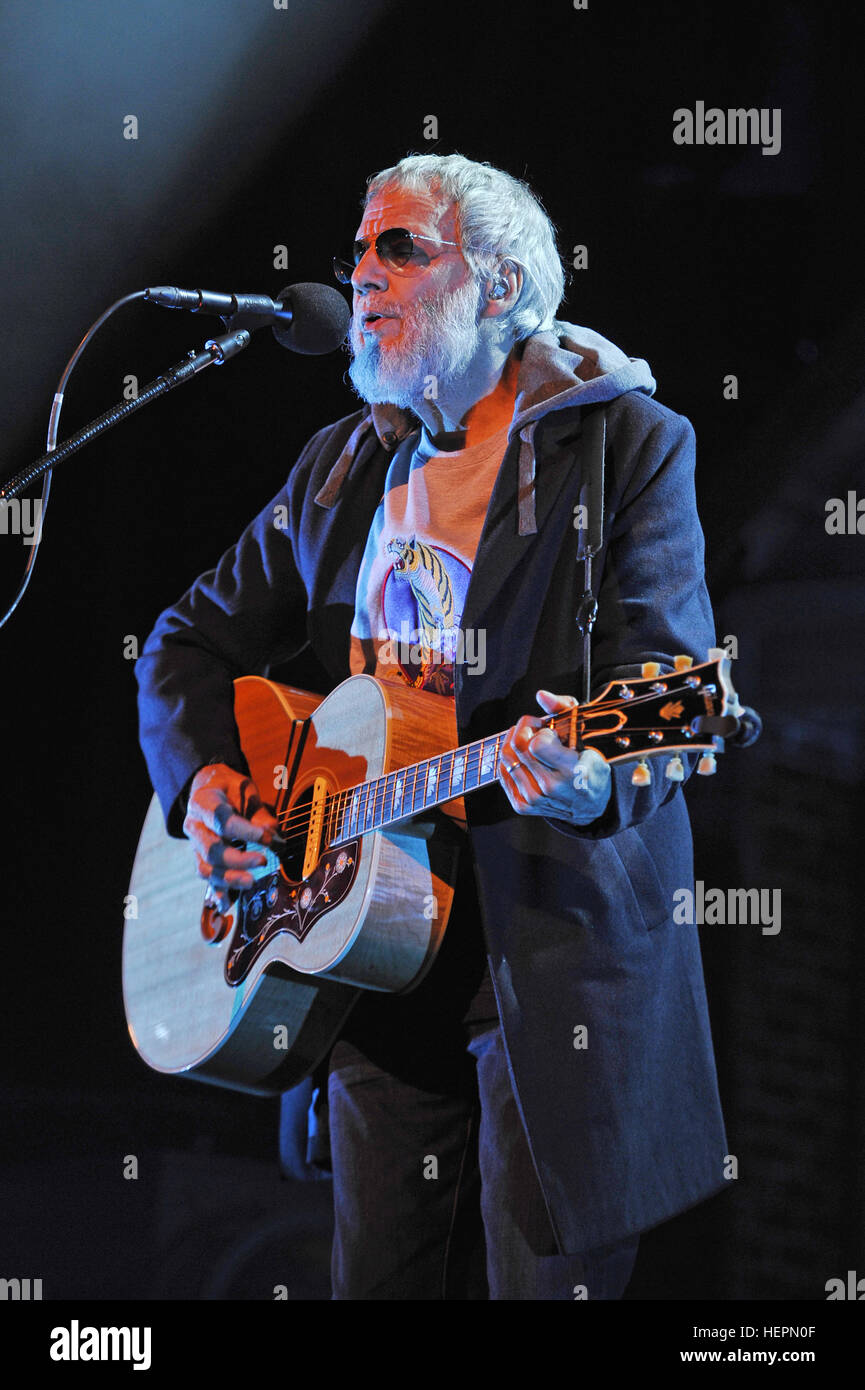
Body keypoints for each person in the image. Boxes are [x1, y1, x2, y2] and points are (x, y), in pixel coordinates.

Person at [135, 152, 728, 1301]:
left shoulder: (624, 446)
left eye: (397, 247)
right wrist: (208, 784)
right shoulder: (346, 462)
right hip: (365, 948)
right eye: (356, 247)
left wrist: (590, 776)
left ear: (498, 286)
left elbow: (666, 679)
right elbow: (183, 642)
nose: (360, 269)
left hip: (546, 964)